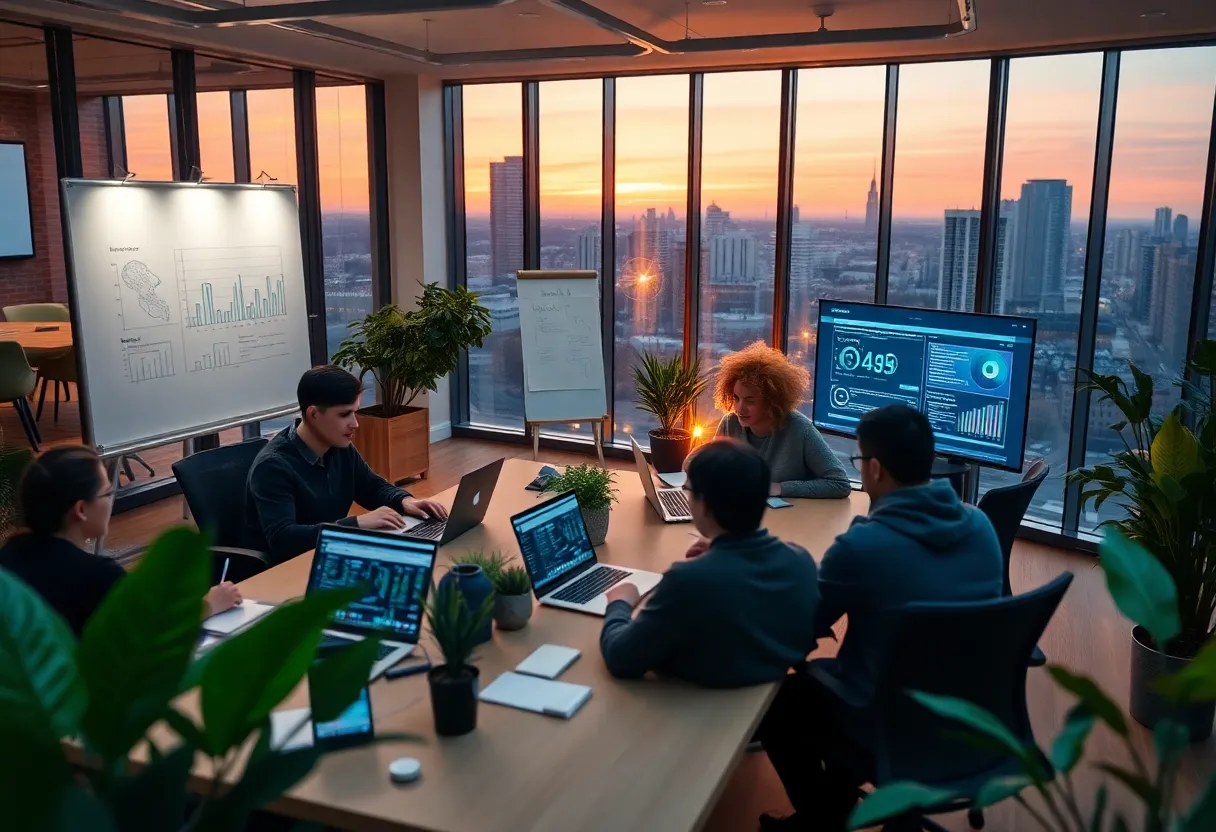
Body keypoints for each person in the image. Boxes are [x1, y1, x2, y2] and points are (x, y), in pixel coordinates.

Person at [756, 404, 1003, 831]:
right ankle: (839, 804)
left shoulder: (862, 547)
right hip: (969, 710)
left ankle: (823, 820)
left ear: (873, 470)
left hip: (887, 720)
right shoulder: (981, 526)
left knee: (777, 708)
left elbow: (801, 629)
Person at [599, 439, 819, 688]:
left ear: (702, 504)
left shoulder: (688, 580)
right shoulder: (801, 561)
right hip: (770, 696)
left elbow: (621, 658)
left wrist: (619, 603)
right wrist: (719, 549)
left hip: (697, 709)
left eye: (688, 489)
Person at [0, 446, 241, 637]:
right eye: (107, 493)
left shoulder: (7, 559)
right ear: (81, 509)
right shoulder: (97, 577)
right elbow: (153, 635)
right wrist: (209, 604)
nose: (111, 500)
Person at [244, 365, 447, 564]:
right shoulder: (272, 466)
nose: (355, 423)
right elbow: (284, 539)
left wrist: (405, 501)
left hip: (328, 555)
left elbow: (370, 486)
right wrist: (357, 524)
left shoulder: (339, 447)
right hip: (283, 572)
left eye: (355, 412)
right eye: (344, 414)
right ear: (313, 415)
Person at [713, 340, 850, 499]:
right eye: (736, 398)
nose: (740, 408)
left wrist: (779, 488)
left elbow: (839, 483)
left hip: (789, 519)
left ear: (772, 401)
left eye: (750, 401)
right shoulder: (730, 424)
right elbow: (714, 471)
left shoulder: (800, 429)